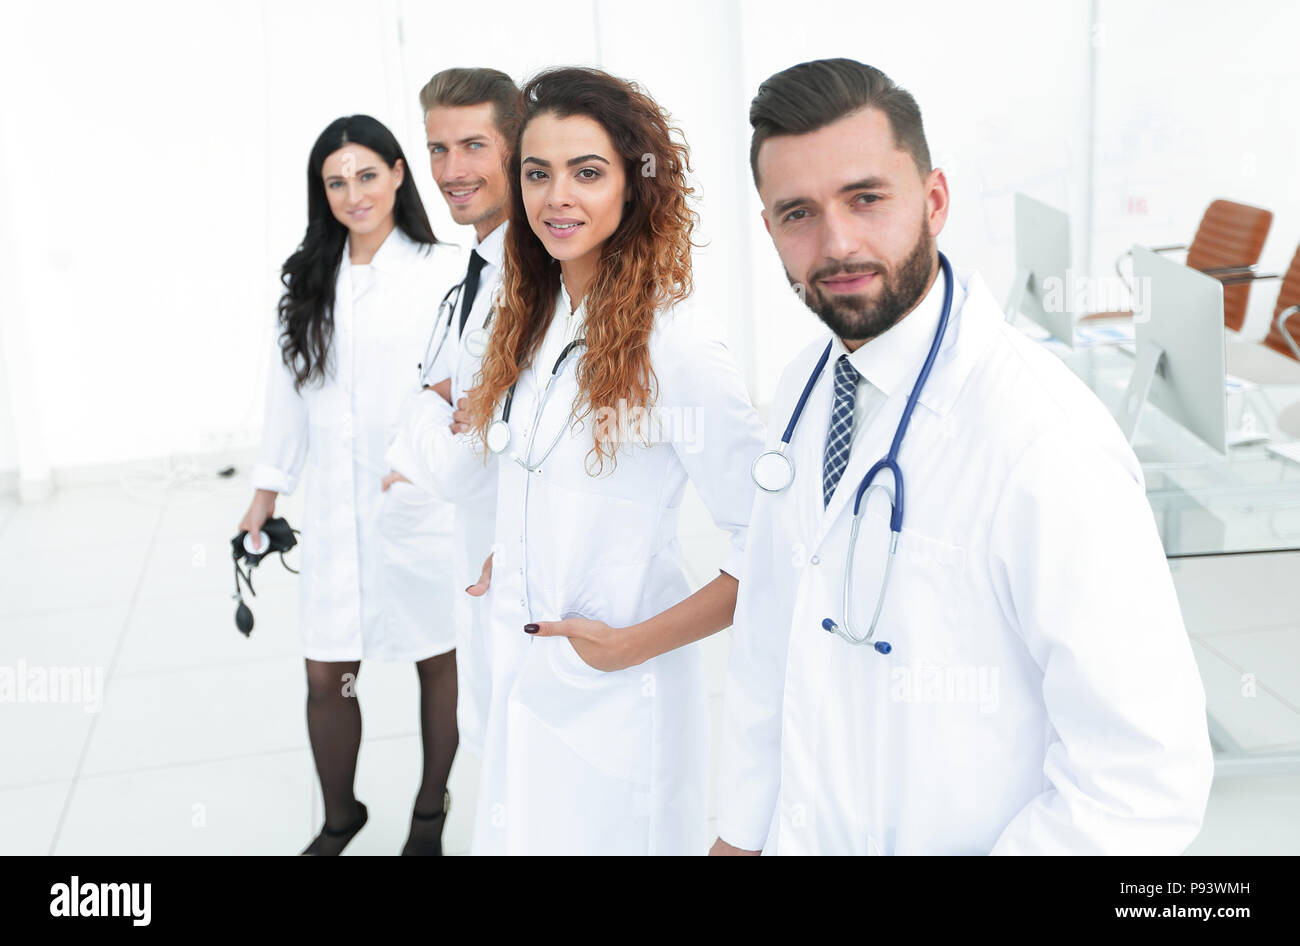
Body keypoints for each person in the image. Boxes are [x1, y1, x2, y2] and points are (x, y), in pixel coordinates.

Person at [713, 59, 1214, 856]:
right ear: (770, 229)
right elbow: (772, 633)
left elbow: (1143, 782)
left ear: (934, 200)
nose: (837, 242)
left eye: (866, 198)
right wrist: (741, 833)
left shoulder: (1045, 441)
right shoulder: (807, 381)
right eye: (799, 213)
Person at [391, 66, 765, 854]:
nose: (556, 196)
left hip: (617, 691)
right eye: (537, 172)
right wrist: (522, 542)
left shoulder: (681, 344)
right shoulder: (536, 315)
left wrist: (630, 645)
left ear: (635, 185)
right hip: (523, 654)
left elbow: (771, 552)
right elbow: (547, 471)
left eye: (587, 172)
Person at [237, 115, 463, 855]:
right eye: (336, 182)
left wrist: (429, 457)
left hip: (421, 502)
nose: (353, 193)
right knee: (327, 671)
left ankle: (428, 815)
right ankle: (342, 817)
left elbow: (470, 381)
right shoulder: (308, 280)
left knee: (440, 655)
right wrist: (267, 491)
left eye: (367, 175)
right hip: (335, 511)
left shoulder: (448, 272)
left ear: (400, 173)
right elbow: (287, 393)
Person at [384, 68, 523, 763]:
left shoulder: (530, 281)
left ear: (516, 150)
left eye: (472, 146)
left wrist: (420, 410)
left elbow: (461, 470)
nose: (450, 170)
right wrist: (437, 403)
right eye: (438, 149)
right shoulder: (478, 269)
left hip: (514, 561)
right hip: (479, 558)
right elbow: (445, 399)